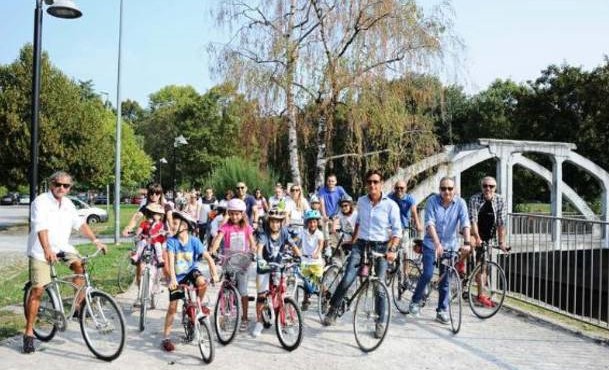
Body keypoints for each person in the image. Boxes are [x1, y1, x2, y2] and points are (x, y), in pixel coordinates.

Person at [23, 171, 107, 354]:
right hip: (40, 250)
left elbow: (80, 224)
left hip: (62, 247)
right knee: (38, 289)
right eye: (58, 184)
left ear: (70, 188)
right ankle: (29, 333)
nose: (62, 188)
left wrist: (96, 241)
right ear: (51, 184)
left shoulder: (68, 204)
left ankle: (78, 307)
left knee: (80, 266)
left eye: (66, 186)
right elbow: (40, 227)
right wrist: (46, 250)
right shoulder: (40, 202)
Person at [322, 169, 401, 339]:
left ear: (381, 183)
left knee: (379, 287)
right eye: (369, 182)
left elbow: (397, 231)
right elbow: (358, 222)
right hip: (361, 245)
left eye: (375, 181)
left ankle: (380, 321)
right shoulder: (362, 202)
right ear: (366, 184)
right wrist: (353, 241)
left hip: (381, 247)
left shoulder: (390, 205)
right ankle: (333, 309)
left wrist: (392, 250)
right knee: (347, 279)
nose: (372, 185)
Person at [408, 176, 471, 324]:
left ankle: (442, 311)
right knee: (428, 273)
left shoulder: (461, 203)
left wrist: (467, 242)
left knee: (445, 280)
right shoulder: (432, 201)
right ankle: (415, 301)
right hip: (431, 243)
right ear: (439, 190)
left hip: (450, 245)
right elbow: (429, 224)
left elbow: (465, 223)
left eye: (450, 188)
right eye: (443, 188)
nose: (446, 191)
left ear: (454, 190)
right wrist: (437, 244)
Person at [162, 210, 219, 352]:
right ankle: (166, 337)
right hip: (177, 276)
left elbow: (209, 258)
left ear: (185, 225)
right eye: (172, 223)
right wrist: (173, 279)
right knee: (172, 307)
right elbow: (170, 259)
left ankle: (197, 303)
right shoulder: (172, 242)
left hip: (190, 271)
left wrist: (215, 273)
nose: (172, 226)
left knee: (202, 282)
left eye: (175, 223)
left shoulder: (194, 241)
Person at [210, 198, 257, 332]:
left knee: (243, 291)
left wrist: (253, 250)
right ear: (228, 213)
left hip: (243, 262)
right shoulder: (225, 227)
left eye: (237, 214)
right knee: (226, 288)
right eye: (232, 213)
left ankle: (245, 317)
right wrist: (213, 250)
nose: (234, 216)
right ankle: (224, 314)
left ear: (242, 214)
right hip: (228, 261)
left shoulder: (247, 227)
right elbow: (218, 239)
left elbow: (252, 242)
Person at [253, 208, 300, 337]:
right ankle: (259, 322)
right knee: (262, 295)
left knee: (280, 293)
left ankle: (283, 322)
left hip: (278, 265)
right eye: (273, 221)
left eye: (278, 222)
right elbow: (259, 248)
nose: (275, 224)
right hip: (264, 265)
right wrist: (259, 258)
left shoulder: (284, 232)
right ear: (269, 222)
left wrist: (301, 257)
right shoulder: (264, 233)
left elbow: (293, 245)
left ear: (281, 222)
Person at [465, 176, 509, 307]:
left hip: (488, 236)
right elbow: (473, 220)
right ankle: (461, 265)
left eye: (491, 186)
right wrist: (477, 238)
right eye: (485, 186)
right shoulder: (475, 199)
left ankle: (480, 295)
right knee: (470, 245)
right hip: (474, 232)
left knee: (483, 266)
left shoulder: (500, 200)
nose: (488, 188)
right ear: (481, 187)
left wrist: (501, 243)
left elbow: (501, 223)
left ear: (495, 188)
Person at [298, 209, 324, 311]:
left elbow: (321, 244)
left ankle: (324, 296)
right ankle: (305, 300)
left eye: (314, 222)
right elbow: (297, 241)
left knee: (318, 281)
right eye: (310, 222)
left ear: (317, 222)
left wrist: (317, 253)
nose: (312, 224)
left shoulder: (319, 233)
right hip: (305, 261)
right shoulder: (303, 232)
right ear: (307, 223)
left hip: (315, 261)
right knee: (305, 282)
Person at [389, 180, 423, 245]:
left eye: (402, 188)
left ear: (406, 188)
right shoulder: (390, 197)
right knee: (391, 249)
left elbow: (414, 211)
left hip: (404, 227)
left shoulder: (409, 199)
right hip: (392, 228)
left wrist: (418, 224)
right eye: (397, 188)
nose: (399, 190)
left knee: (404, 249)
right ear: (394, 188)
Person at [336, 194, 358, 259]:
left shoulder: (356, 215)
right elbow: (334, 227)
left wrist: (349, 242)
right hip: (346, 242)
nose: (343, 208)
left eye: (346, 205)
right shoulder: (341, 214)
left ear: (350, 205)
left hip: (356, 242)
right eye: (342, 206)